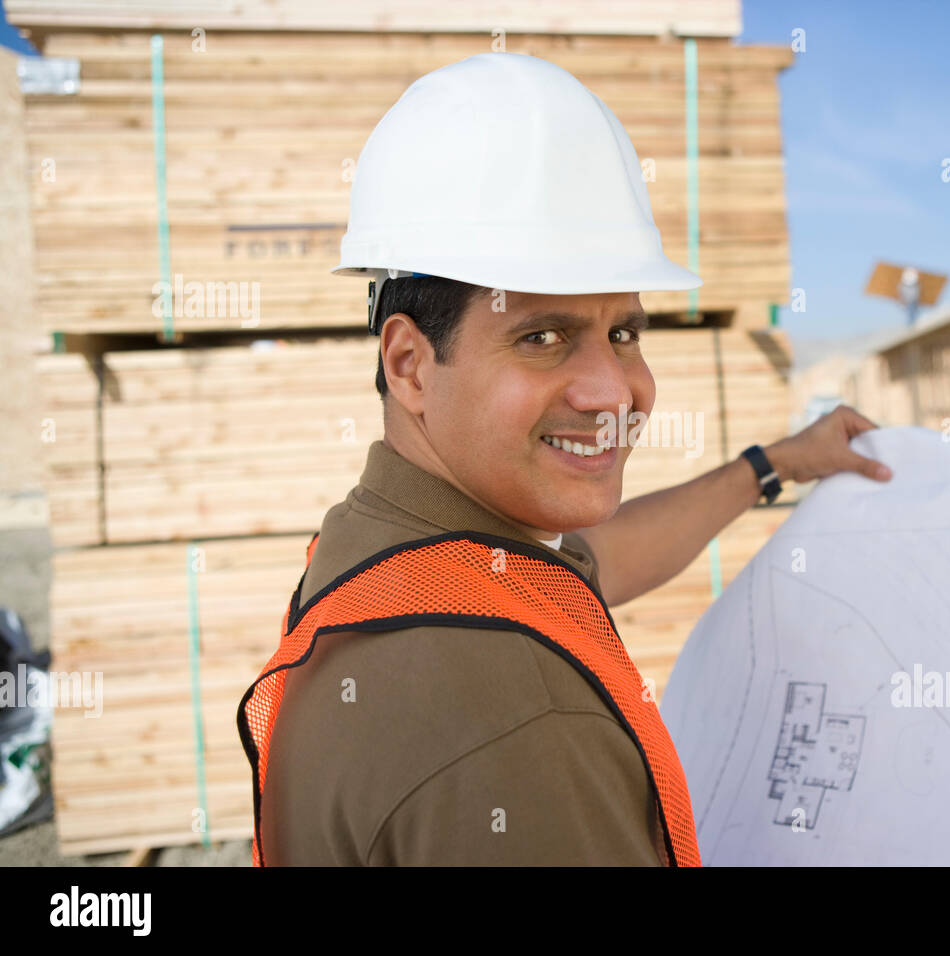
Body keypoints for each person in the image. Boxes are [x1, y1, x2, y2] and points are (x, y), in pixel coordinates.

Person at [237, 51, 891, 866]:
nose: (613, 391)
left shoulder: (399, 556)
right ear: (409, 364)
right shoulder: (520, 723)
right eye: (542, 337)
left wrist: (773, 463)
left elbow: (589, 565)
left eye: (623, 332)